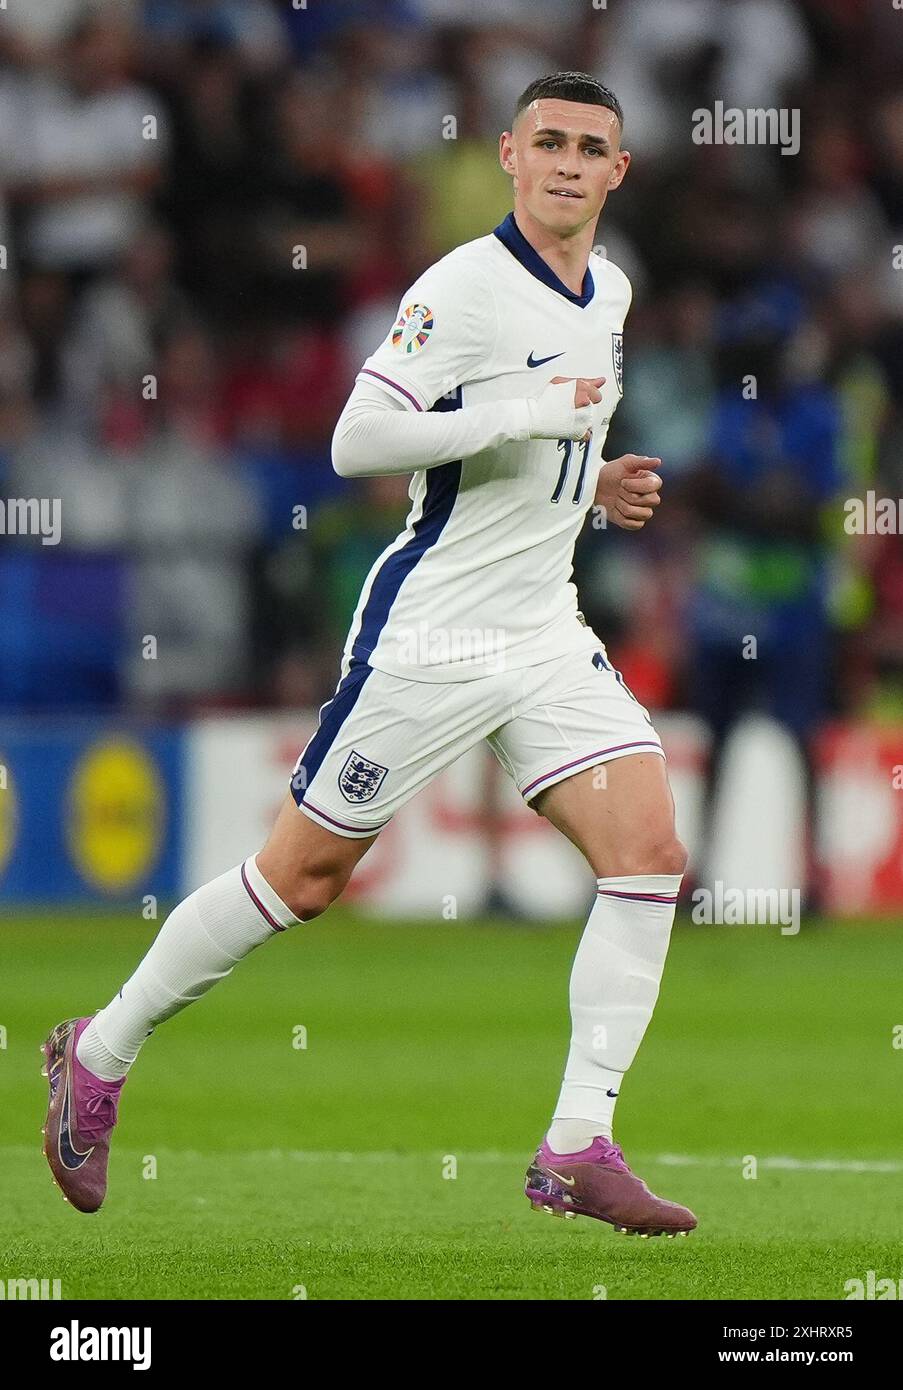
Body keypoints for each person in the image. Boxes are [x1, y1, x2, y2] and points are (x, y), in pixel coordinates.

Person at [43, 72, 695, 1237]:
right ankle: (97, 1052)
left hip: (543, 624)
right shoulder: (462, 288)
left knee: (648, 851)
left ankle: (576, 1144)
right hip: (433, 630)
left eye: (589, 147)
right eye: (545, 141)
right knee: (300, 879)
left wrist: (590, 485)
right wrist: (523, 415)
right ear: (506, 154)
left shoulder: (614, 291)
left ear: (617, 171)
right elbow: (359, 438)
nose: (564, 162)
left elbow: (544, 441)